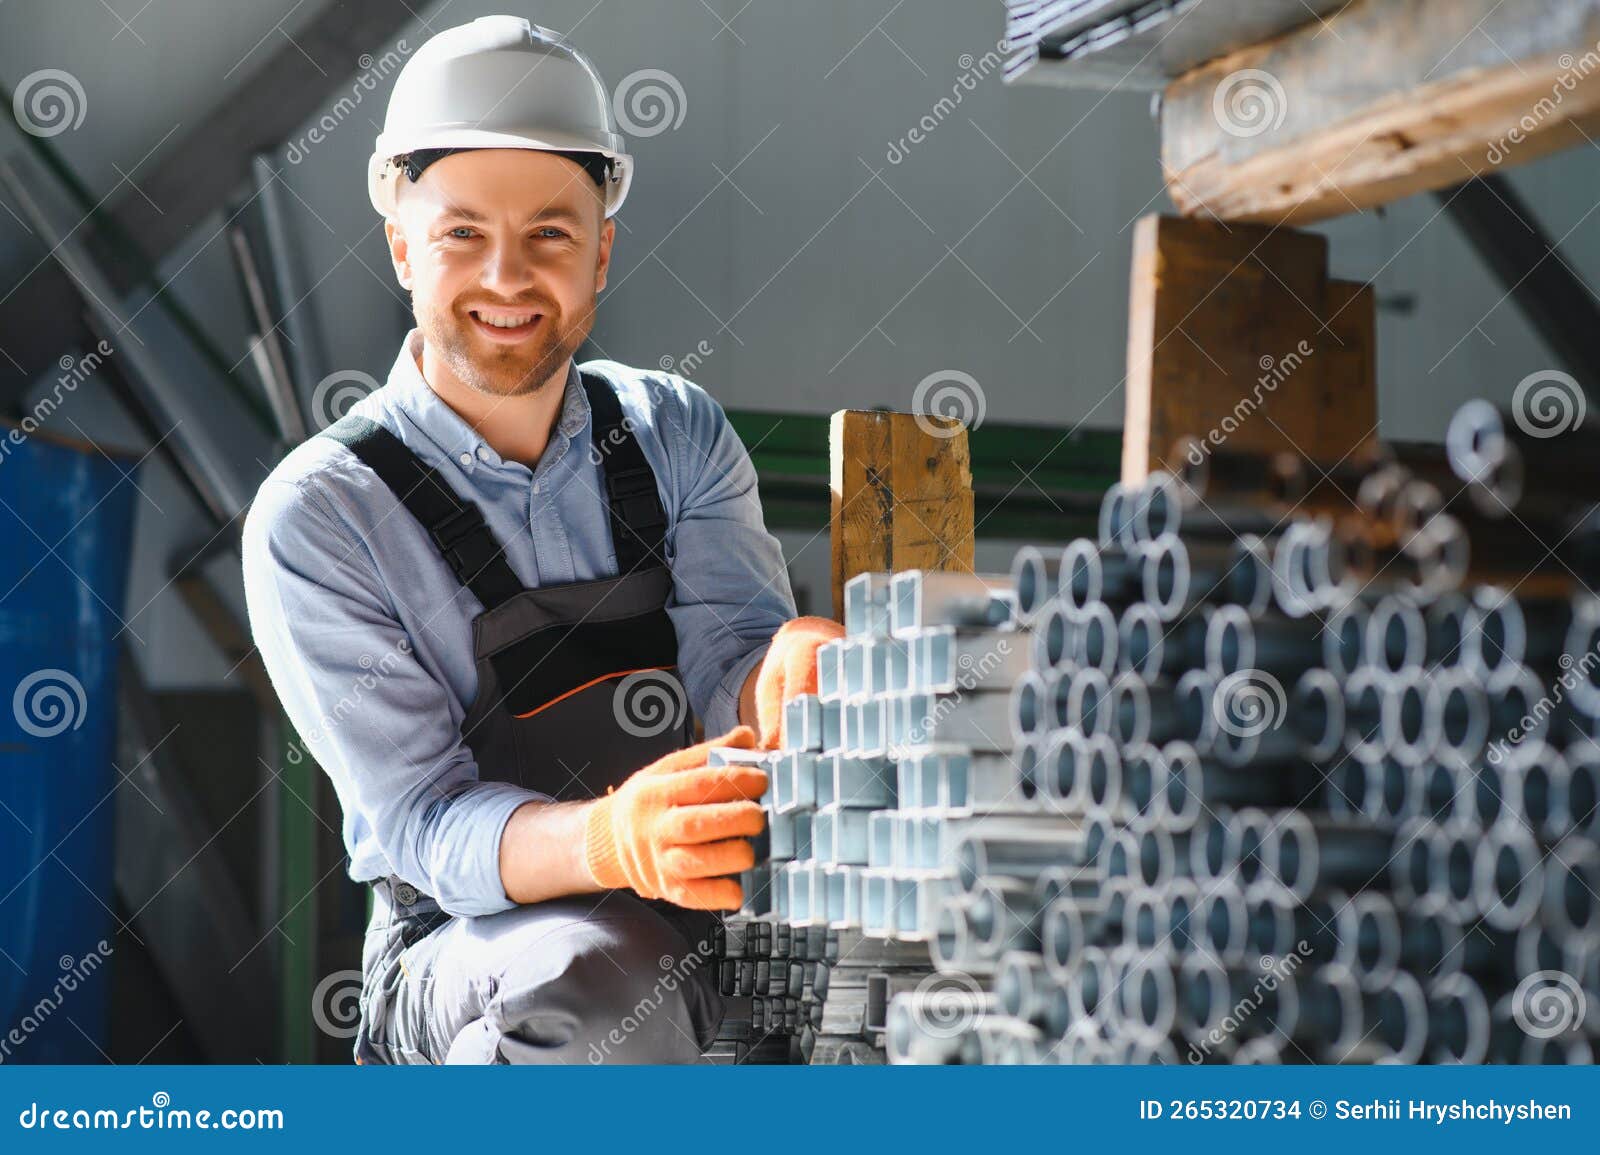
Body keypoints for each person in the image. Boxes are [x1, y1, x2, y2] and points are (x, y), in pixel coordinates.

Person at [242, 15, 843, 1064]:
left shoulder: (673, 433)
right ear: (400, 244)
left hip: (705, 906)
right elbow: (427, 825)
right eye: (462, 233)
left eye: (551, 234)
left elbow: (725, 675)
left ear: (601, 247)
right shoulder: (322, 516)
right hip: (471, 951)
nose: (509, 279)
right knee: (599, 987)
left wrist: (779, 671)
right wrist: (611, 838)